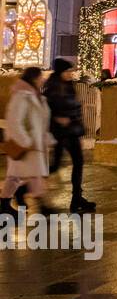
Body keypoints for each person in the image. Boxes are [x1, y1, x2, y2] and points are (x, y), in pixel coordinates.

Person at [45, 58, 94, 213]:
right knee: (54, 166)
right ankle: (22, 190)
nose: (71, 74)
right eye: (68, 71)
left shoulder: (68, 86)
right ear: (61, 72)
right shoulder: (53, 88)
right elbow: (46, 109)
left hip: (71, 132)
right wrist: (57, 118)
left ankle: (77, 199)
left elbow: (73, 108)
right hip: (60, 133)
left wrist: (78, 127)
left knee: (76, 163)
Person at [2, 67, 51, 217]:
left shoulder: (34, 95)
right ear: (33, 78)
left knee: (15, 176)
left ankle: (4, 205)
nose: (42, 79)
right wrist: (26, 141)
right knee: (33, 174)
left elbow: (40, 120)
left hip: (33, 143)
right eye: (40, 77)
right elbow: (15, 121)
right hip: (25, 144)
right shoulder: (22, 96)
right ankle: (43, 207)